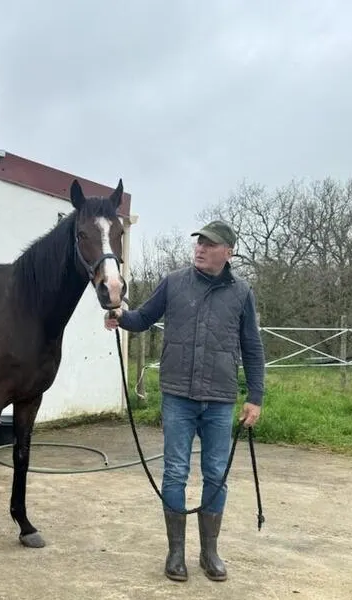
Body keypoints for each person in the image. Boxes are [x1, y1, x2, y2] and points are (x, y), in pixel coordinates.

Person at [105, 219, 265, 583]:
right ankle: (175, 552)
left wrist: (254, 397)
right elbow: (143, 318)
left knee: (215, 475)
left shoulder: (241, 293)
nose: (201, 249)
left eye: (209, 245)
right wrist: (119, 316)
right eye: (199, 243)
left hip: (221, 399)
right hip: (178, 396)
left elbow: (253, 348)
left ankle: (209, 552)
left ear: (228, 251)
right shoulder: (174, 282)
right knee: (175, 471)